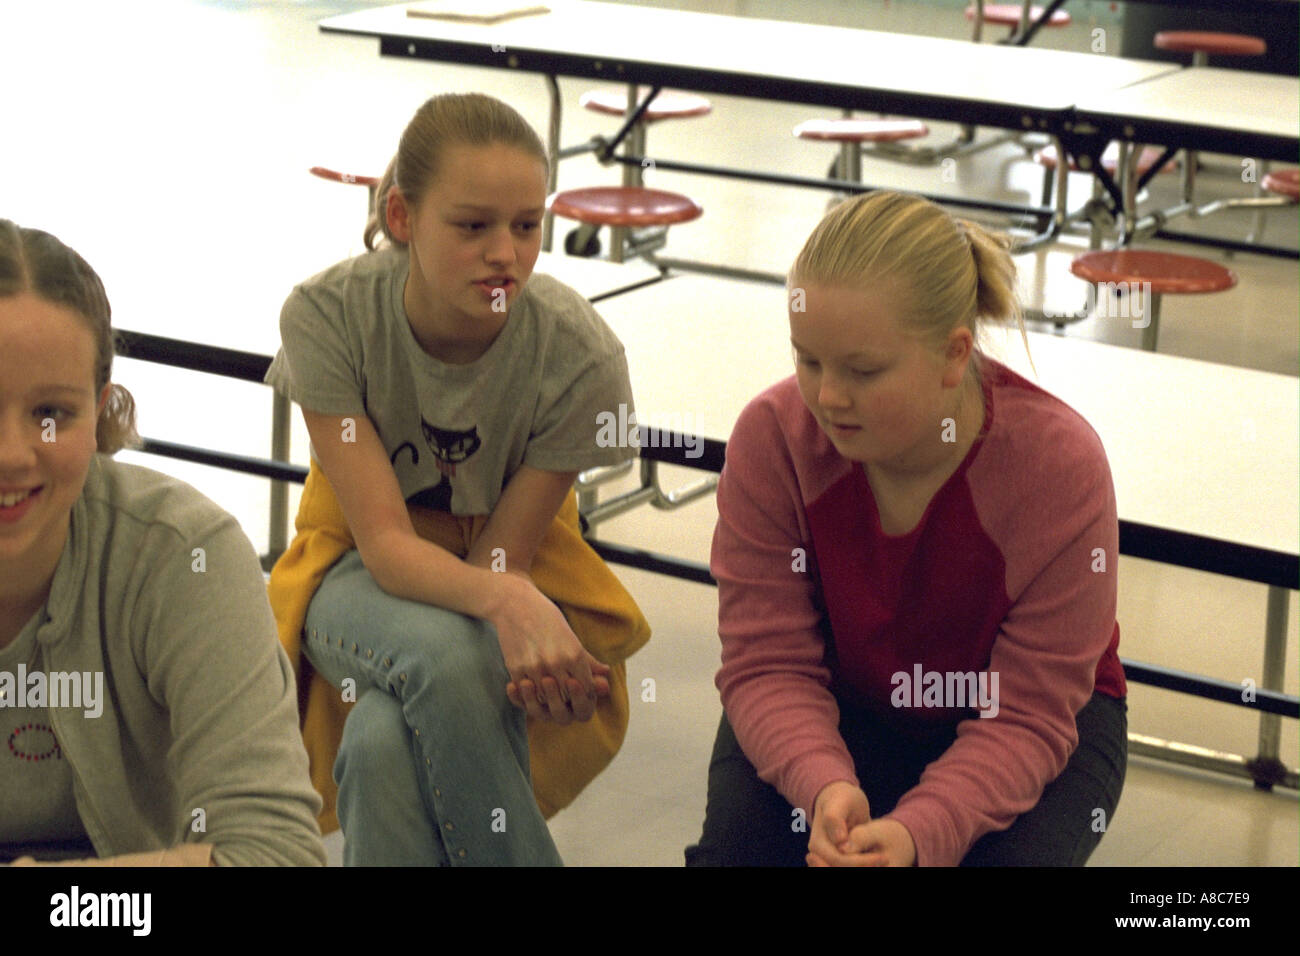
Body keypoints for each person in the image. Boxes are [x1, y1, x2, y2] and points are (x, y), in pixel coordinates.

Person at [265, 92, 651, 866]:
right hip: (353, 573)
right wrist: (511, 605)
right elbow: (382, 545)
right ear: (402, 218)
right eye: (472, 226)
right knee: (448, 659)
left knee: (382, 741)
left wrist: (509, 592)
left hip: (504, 568)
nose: (505, 253)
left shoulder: (579, 353)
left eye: (526, 226)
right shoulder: (328, 316)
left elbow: (503, 557)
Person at [686, 191, 1127, 867]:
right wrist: (822, 784)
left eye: (863, 371)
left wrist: (922, 832)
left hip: (1030, 719)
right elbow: (768, 664)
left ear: (954, 356)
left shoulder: (1057, 467)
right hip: (839, 697)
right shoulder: (773, 438)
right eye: (807, 360)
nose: (828, 397)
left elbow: (1030, 714)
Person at [0, 220, 325, 866]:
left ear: (101, 412)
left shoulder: (184, 555)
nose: (11, 454)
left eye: (52, 414)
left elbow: (277, 854)